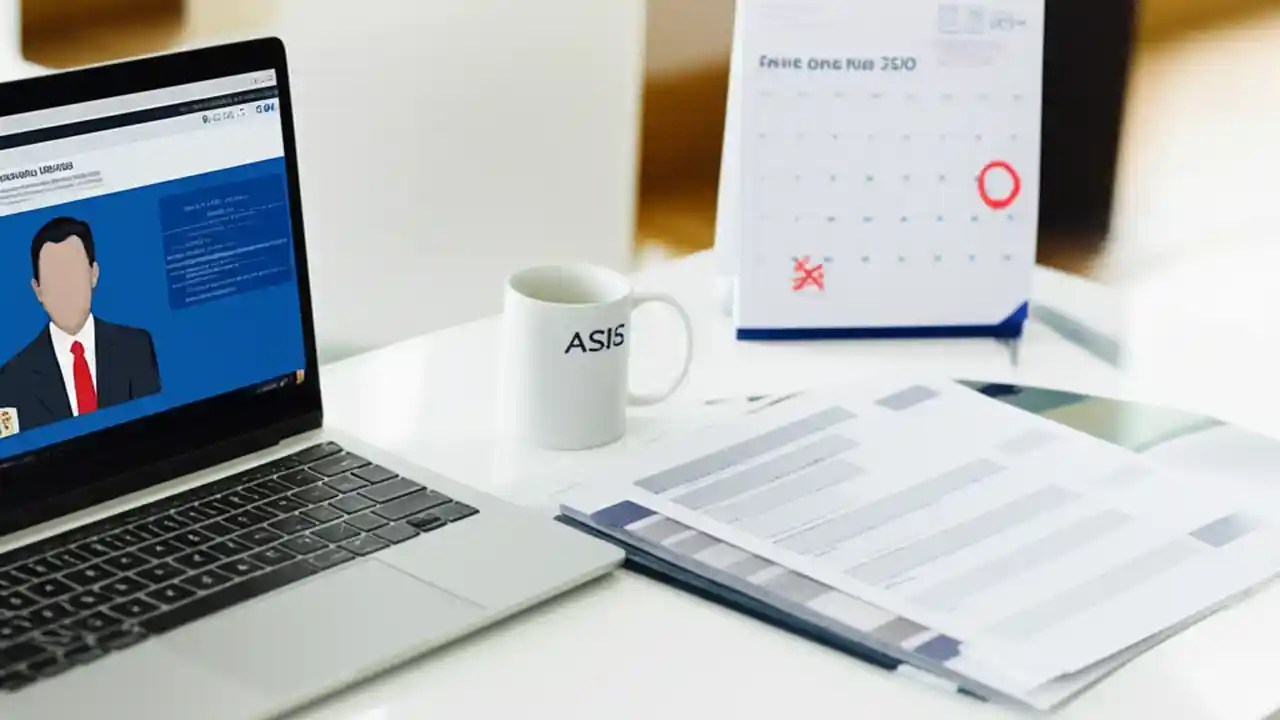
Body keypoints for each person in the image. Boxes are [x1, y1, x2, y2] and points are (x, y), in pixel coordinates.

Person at [0, 217, 161, 433]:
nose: (65, 288)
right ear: (37, 290)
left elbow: (155, 432)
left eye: (73, 271)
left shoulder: (136, 347)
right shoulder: (11, 379)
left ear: (93, 274)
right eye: (54, 276)